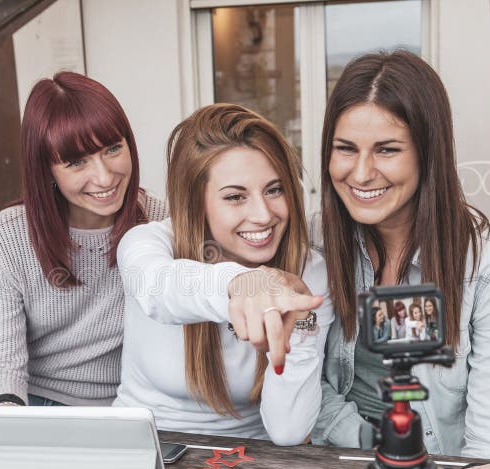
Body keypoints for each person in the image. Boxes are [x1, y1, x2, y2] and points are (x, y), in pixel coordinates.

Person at [311, 51, 490, 459]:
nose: (360, 174)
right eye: (345, 148)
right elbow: (304, 384)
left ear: (428, 154)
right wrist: (370, 444)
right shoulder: (315, 242)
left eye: (387, 150)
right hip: (337, 463)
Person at [114, 104, 333, 444]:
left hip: (251, 462)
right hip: (142, 448)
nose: (263, 215)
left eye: (274, 190)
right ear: (196, 203)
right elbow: (160, 290)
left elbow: (289, 431)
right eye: (235, 197)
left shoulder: (309, 272)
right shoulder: (147, 244)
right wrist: (242, 285)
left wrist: (299, 325)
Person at [0, 72, 166, 407]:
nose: (104, 176)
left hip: (139, 403)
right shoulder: (5, 237)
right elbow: (3, 365)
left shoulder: (161, 220)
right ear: (46, 169)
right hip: (42, 403)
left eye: (113, 149)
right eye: (77, 162)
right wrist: (6, 425)